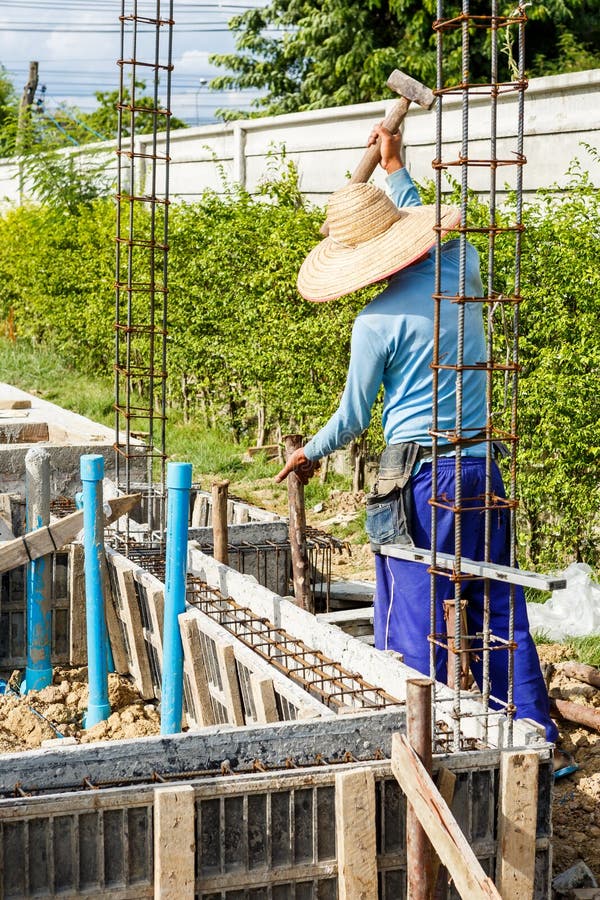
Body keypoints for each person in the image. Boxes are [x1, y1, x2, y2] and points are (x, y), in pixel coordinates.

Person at [275, 123, 562, 750]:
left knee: (414, 613)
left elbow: (351, 420)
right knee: (496, 605)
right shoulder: (464, 268)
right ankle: (533, 736)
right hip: (482, 469)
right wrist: (397, 168)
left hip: (420, 481)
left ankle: (422, 745)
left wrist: (307, 453)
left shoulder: (374, 322)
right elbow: (429, 229)